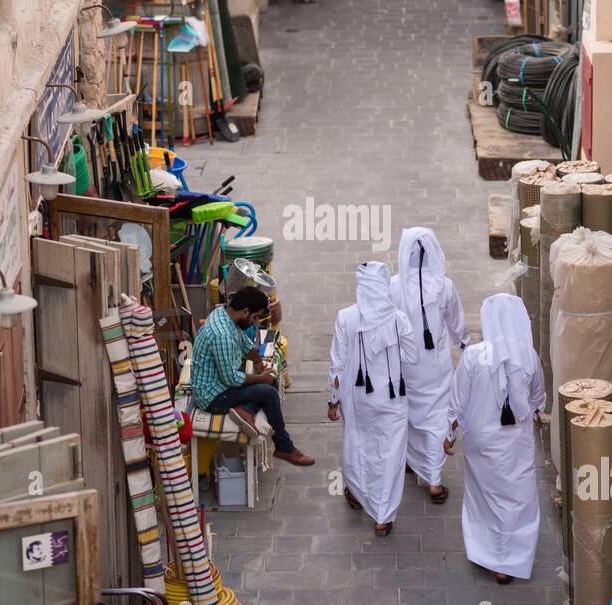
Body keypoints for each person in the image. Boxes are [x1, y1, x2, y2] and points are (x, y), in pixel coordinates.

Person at [444, 293, 545, 584]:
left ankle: (490, 553)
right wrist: (537, 416)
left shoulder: (473, 355)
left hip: (482, 443)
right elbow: (538, 398)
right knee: (517, 497)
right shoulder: (528, 355)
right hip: (516, 444)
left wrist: (449, 434)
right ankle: (511, 558)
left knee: (486, 496)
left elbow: (457, 402)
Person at [328, 262, 419, 535]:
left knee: (358, 446)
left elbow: (337, 365)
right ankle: (383, 516)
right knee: (390, 455)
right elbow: (412, 357)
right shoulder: (399, 319)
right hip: (391, 399)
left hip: (357, 398)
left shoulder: (346, 317)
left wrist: (333, 400)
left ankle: (357, 494)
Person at [191, 285, 315, 466]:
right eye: (255, 317)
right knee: (269, 392)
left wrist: (258, 363)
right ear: (245, 311)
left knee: (270, 382)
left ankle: (246, 411)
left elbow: (243, 342)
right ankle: (285, 447)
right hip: (213, 397)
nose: (255, 321)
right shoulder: (221, 335)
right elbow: (231, 379)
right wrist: (260, 378)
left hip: (221, 385)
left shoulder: (224, 315)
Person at [391, 227, 468, 504]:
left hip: (405, 365)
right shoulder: (444, 285)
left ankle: (412, 461)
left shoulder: (393, 285)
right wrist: (465, 343)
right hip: (435, 365)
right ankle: (434, 480)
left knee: (409, 411)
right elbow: (456, 323)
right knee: (437, 418)